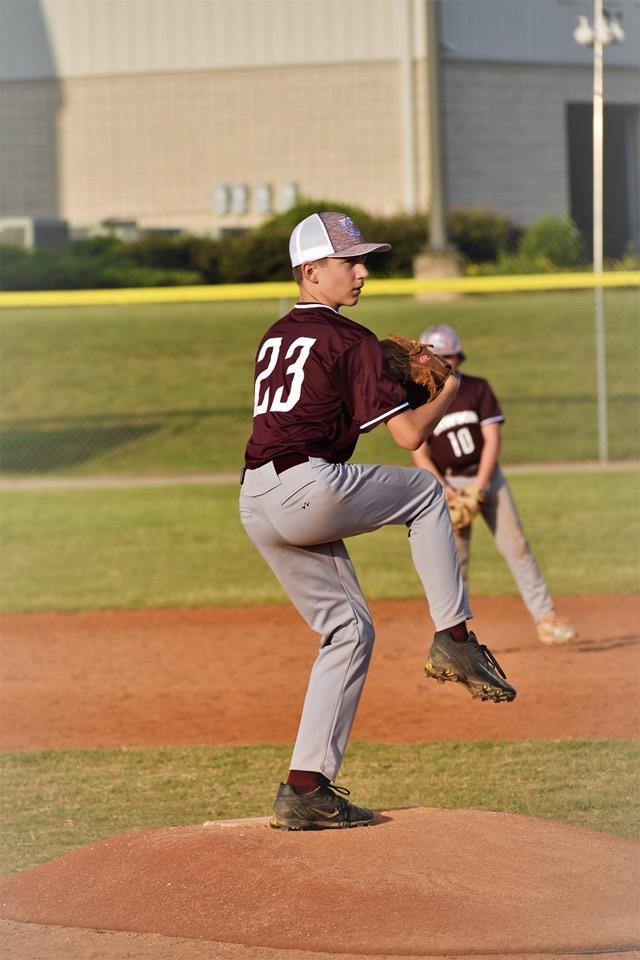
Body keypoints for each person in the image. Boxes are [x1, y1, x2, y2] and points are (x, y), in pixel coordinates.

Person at [239, 212, 516, 833]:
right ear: (312, 272)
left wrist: (390, 381)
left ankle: (305, 788)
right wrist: (445, 389)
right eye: (349, 262)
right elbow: (410, 435)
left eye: (363, 260)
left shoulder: (276, 334)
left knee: (349, 631)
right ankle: (456, 639)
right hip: (309, 486)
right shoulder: (351, 340)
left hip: (256, 498)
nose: (362, 272)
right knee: (422, 491)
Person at [411, 324, 577, 646]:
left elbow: (492, 439)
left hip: (487, 479)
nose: (444, 362)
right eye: (437, 356)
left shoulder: (476, 389)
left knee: (518, 550)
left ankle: (547, 620)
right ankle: (455, 639)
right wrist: (445, 489)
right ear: (424, 359)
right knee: (454, 563)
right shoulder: (420, 398)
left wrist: (481, 485)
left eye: (449, 356)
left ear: (458, 356)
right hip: (446, 484)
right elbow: (419, 451)